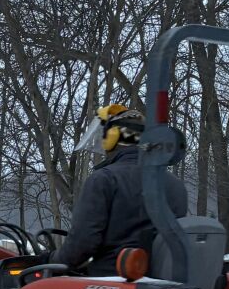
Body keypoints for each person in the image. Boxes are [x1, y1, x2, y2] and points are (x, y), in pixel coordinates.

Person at [50, 103, 187, 274]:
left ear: (114, 138)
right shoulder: (175, 185)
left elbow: (82, 245)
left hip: (111, 279)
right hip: (160, 279)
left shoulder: (104, 179)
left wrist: (51, 261)